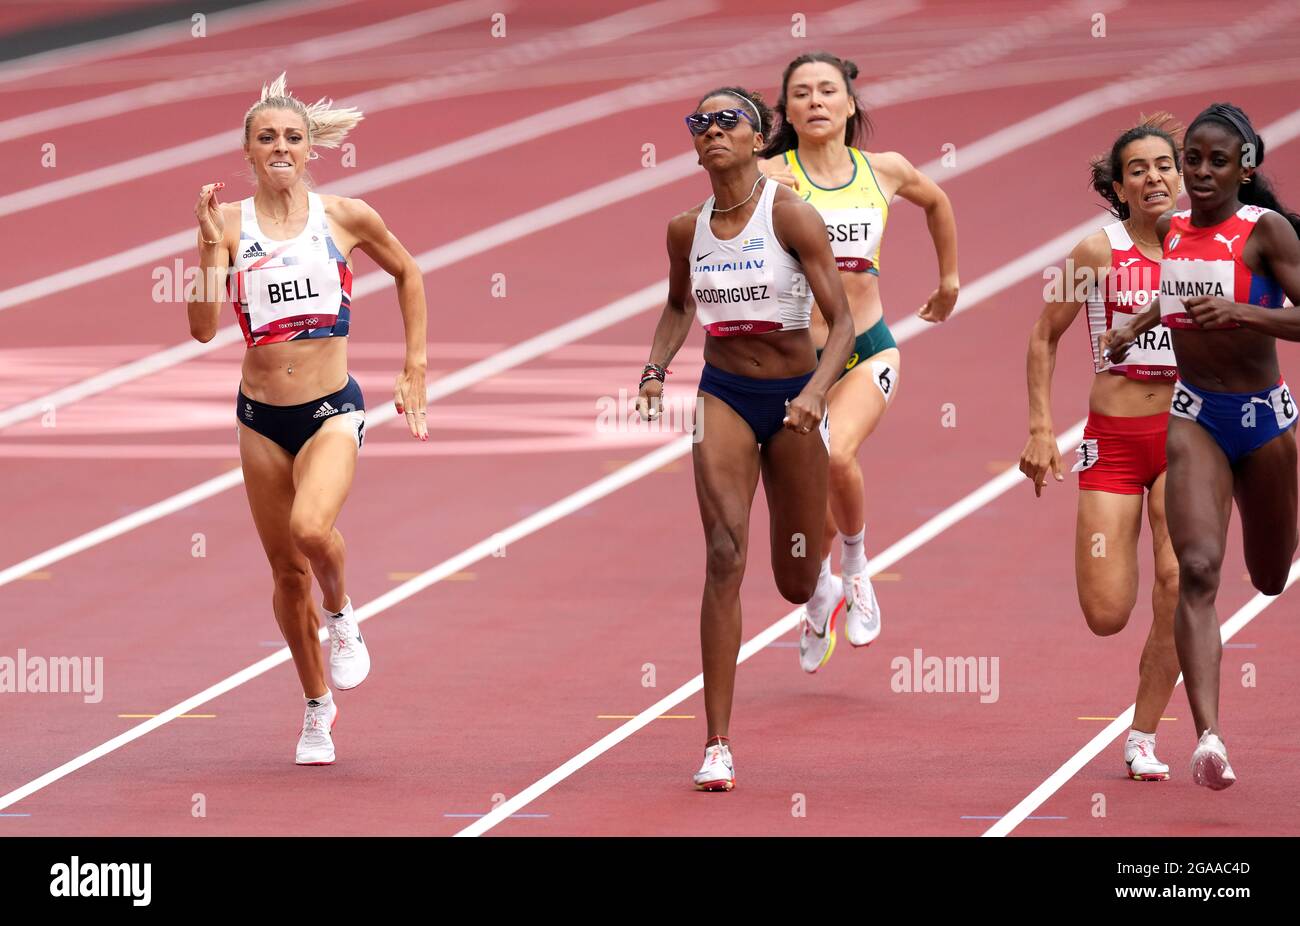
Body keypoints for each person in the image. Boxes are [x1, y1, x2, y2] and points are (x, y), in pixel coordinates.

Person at [186, 74, 429, 765]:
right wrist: (207, 250)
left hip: (330, 409)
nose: (281, 147)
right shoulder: (229, 224)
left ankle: (344, 612)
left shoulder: (346, 216)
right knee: (285, 572)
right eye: (267, 137)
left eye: (292, 136)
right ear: (247, 150)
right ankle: (316, 706)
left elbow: (409, 272)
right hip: (260, 418)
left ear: (310, 148)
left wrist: (414, 365)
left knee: (309, 529)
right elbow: (203, 329)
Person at [637, 86, 853, 790]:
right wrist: (654, 369)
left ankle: (823, 579)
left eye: (728, 120)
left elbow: (842, 324)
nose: (711, 131)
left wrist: (818, 396)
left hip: (793, 399)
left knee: (792, 583)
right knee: (724, 553)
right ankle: (717, 744)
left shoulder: (791, 216)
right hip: (723, 394)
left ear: (758, 139)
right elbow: (677, 307)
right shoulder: (683, 229)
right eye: (700, 122)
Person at [1104, 102, 1300, 789]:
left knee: (1272, 575)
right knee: (1196, 570)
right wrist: (1138, 323)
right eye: (1195, 160)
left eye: (1220, 161)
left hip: (1266, 424)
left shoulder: (1265, 231)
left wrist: (1245, 313)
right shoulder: (1172, 227)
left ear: (1246, 167)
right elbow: (1183, 290)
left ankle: (1210, 727)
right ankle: (1209, 737)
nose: (1204, 172)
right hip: (1196, 417)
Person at [757, 52, 958, 672]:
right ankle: (821, 593)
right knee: (802, 508)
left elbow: (937, 201)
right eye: (800, 94)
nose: (815, 101)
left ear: (850, 104)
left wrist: (949, 279)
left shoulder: (886, 171)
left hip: (868, 347)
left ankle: (856, 567)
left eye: (827, 91)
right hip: (797, 361)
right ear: (786, 111)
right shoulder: (769, 175)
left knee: (836, 453)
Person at [1019, 114, 1185, 781]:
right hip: (1114, 441)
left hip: (1189, 437)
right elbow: (1041, 336)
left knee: (1178, 582)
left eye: (1164, 165)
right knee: (1107, 613)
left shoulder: (1213, 248)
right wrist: (1039, 426)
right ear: (1118, 187)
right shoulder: (1097, 252)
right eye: (1138, 169)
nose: (1154, 177)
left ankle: (1143, 734)